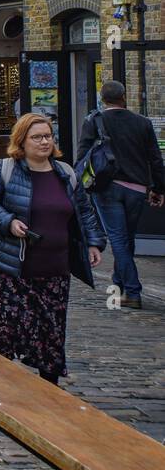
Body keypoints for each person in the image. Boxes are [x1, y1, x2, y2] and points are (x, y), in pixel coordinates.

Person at [0, 113, 106, 384]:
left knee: (51, 329)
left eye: (48, 136)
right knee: (6, 324)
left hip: (55, 268)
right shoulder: (3, 169)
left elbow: (83, 210)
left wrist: (93, 242)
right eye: (37, 137)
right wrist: (8, 222)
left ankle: (50, 386)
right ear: (22, 141)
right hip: (10, 266)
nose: (44, 142)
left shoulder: (65, 173)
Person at [76, 80, 165, 310]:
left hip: (107, 187)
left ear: (102, 99)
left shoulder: (94, 121)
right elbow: (155, 159)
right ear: (123, 97)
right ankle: (118, 285)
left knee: (118, 239)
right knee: (127, 239)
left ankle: (133, 291)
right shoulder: (143, 123)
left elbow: (82, 156)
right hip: (137, 189)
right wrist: (158, 188)